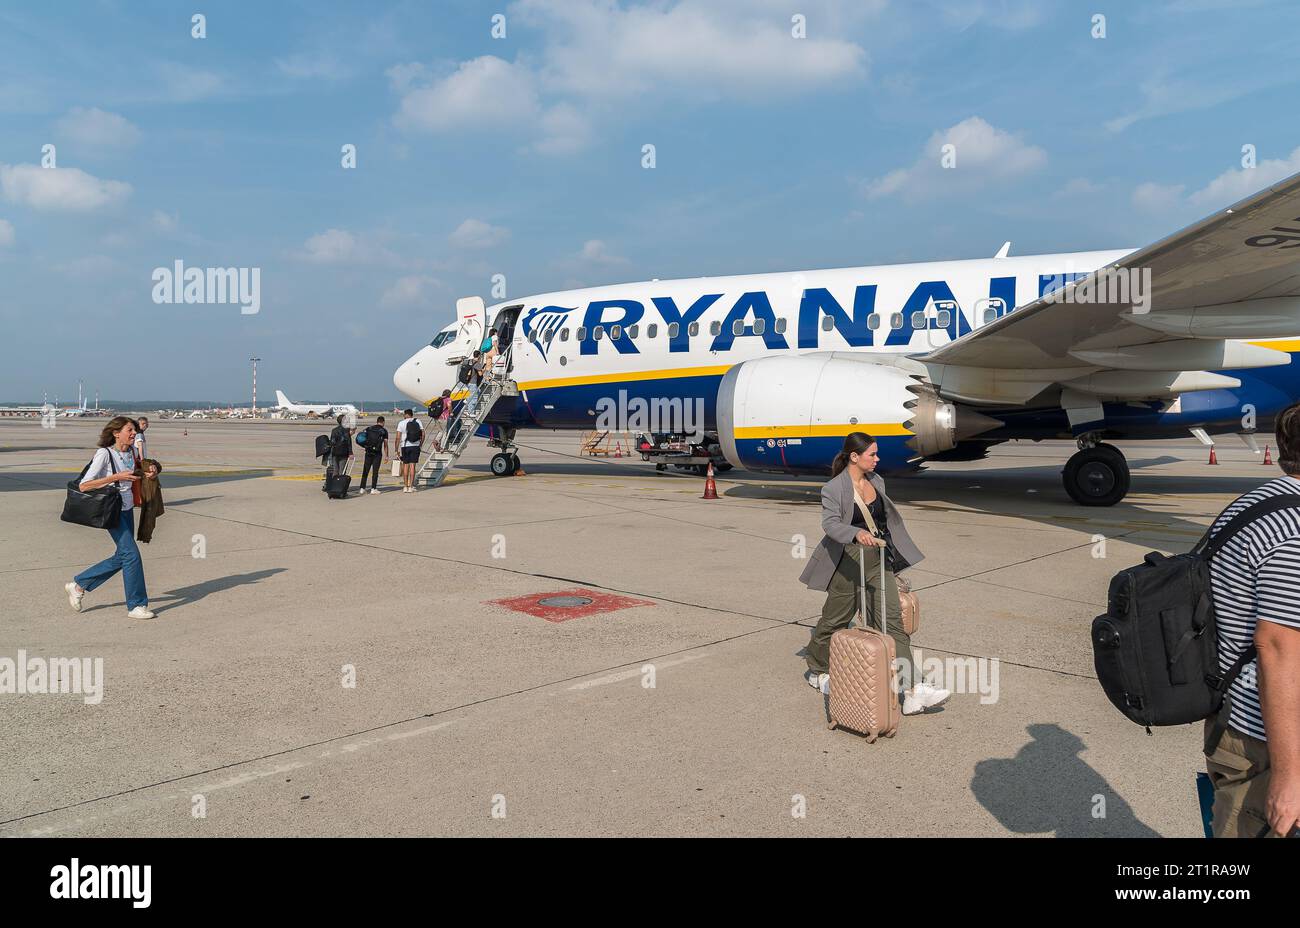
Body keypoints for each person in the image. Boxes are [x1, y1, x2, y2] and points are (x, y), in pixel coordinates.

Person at [799, 432, 950, 715]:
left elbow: (884, 520)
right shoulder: (833, 488)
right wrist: (856, 533)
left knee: (893, 622)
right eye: (872, 454)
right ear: (854, 457)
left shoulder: (876, 481)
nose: (877, 459)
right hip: (847, 560)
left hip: (878, 560)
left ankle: (914, 690)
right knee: (835, 620)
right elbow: (830, 524)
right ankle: (817, 669)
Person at [1202, 401, 1300, 838]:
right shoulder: (1293, 531)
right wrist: (1288, 776)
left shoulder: (1258, 503)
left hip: (1238, 722)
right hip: (1268, 742)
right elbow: (1278, 650)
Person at [64, 416, 154, 619]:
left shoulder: (131, 451)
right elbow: (84, 485)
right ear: (116, 433)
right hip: (111, 511)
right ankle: (136, 605)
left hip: (127, 509)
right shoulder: (104, 454)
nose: (134, 433)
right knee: (131, 555)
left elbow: (138, 470)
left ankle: (79, 585)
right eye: (130, 430)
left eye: (135, 431)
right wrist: (116, 477)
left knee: (122, 556)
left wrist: (151, 471)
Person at [394, 408, 424, 493]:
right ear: (412, 414)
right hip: (415, 446)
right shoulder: (417, 421)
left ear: (405, 415)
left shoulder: (401, 423)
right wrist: (420, 444)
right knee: (412, 466)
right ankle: (411, 486)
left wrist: (396, 449)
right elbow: (423, 433)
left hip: (404, 446)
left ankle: (405, 486)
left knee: (405, 466)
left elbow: (398, 437)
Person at [359, 416, 388, 495]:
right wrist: (386, 455)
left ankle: (362, 488)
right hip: (377, 453)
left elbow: (362, 438)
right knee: (375, 471)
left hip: (368, 452)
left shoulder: (369, 428)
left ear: (377, 421)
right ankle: (373, 488)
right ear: (383, 422)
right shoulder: (384, 431)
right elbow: (385, 444)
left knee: (365, 470)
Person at [325, 414, 353, 492]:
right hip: (343, 453)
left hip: (335, 453)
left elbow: (332, 442)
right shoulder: (347, 430)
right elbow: (349, 442)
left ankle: (333, 487)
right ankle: (340, 487)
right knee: (342, 472)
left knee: (335, 471)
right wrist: (350, 453)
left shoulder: (334, 430)